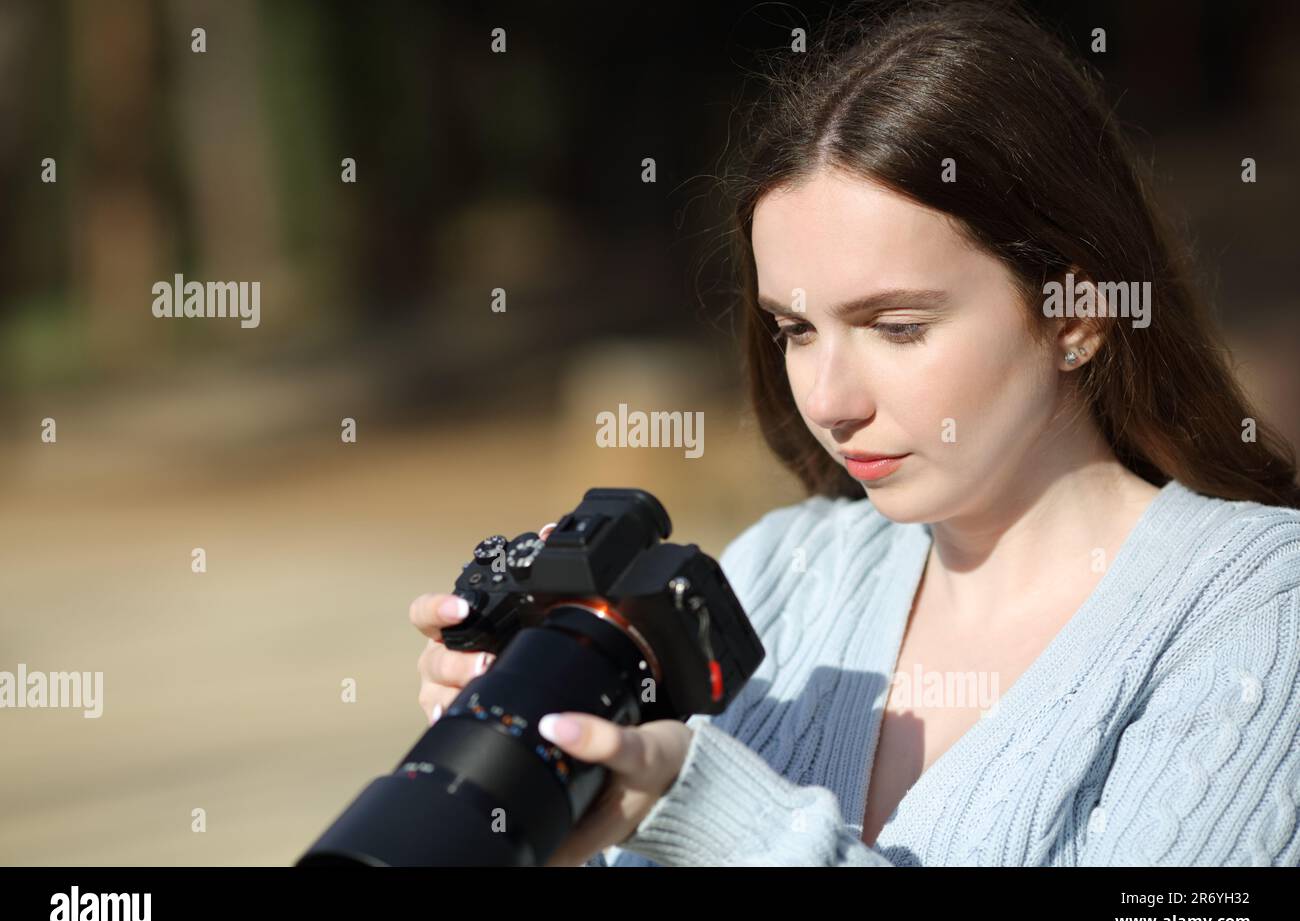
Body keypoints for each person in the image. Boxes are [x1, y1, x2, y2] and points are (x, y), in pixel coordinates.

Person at [411, 0, 1300, 866]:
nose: (829, 400)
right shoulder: (781, 573)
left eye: (897, 327)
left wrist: (707, 814)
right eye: (796, 330)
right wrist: (545, 766)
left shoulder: (1255, 610)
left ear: (1077, 314)